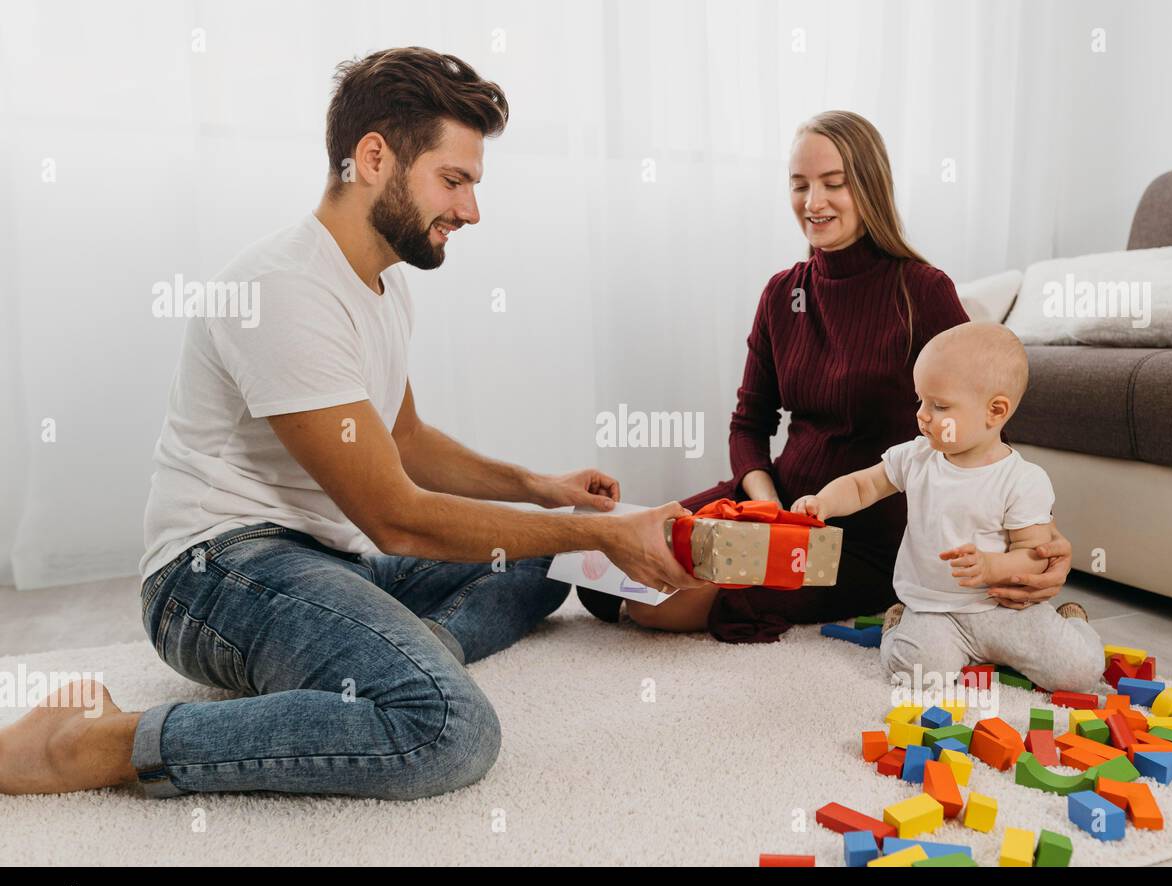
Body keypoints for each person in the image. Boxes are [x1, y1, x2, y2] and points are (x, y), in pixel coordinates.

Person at [0, 47, 701, 801]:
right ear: (374, 158)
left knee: (532, 560)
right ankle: (94, 741)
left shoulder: (382, 284)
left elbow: (404, 441)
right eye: (454, 180)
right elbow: (396, 517)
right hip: (216, 577)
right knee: (445, 728)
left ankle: (396, 651)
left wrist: (539, 488)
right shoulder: (282, 289)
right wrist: (597, 532)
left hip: (331, 557)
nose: (470, 210)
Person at [580, 111, 1081, 642]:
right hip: (777, 499)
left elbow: (986, 425)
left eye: (833, 184)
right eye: (800, 186)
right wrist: (764, 503)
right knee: (606, 565)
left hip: (865, 534)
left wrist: (1036, 540)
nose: (813, 203)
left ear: (869, 186)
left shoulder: (922, 291)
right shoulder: (783, 294)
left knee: (658, 606)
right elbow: (749, 423)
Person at [792, 323, 1104, 692]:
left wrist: (992, 566)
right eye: (921, 401)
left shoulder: (1023, 479)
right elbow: (864, 485)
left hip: (1004, 610)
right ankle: (898, 622)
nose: (922, 415)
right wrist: (823, 501)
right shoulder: (917, 457)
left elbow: (1035, 555)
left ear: (995, 411)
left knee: (1079, 674)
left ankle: (1073, 621)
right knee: (914, 675)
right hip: (935, 610)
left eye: (939, 406)